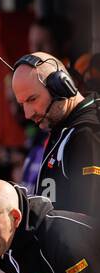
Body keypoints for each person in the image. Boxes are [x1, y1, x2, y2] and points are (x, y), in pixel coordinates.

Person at [11, 51, 100, 218]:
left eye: (32, 99)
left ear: (61, 85)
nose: (28, 114)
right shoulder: (64, 128)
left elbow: (91, 225)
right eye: (22, 104)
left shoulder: (88, 134)